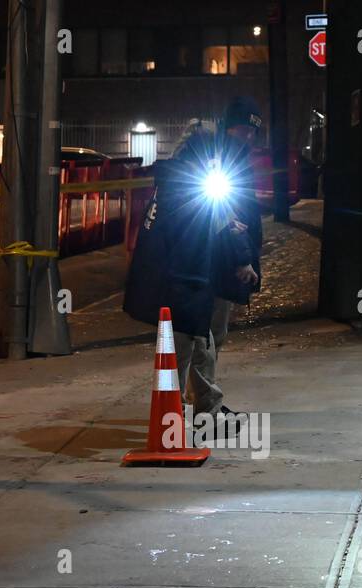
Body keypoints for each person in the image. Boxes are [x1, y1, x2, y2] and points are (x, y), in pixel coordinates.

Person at [123, 97, 264, 428]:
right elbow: (220, 217)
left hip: (191, 272)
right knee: (191, 340)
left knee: (201, 338)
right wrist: (240, 252)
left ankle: (199, 409)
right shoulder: (197, 179)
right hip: (191, 274)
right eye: (246, 131)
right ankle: (184, 418)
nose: (249, 139)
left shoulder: (180, 179)